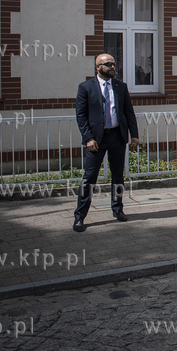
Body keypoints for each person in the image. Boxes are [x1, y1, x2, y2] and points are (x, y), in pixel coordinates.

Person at [73, 53, 140, 232]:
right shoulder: (86, 87)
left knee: (118, 176)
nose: (112, 67)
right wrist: (88, 138)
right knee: (89, 178)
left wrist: (134, 134)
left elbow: (128, 112)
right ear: (98, 67)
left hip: (117, 136)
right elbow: (80, 116)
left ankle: (117, 209)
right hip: (96, 139)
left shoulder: (120, 86)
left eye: (113, 64)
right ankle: (80, 216)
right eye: (108, 64)